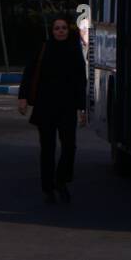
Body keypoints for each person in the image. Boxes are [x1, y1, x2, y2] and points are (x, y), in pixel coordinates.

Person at [18, 14, 87, 204]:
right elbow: (29, 72)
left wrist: (82, 108)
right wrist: (23, 98)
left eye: (63, 28)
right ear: (52, 31)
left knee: (69, 147)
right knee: (47, 149)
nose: (60, 31)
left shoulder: (74, 50)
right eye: (57, 28)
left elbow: (80, 80)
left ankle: (61, 180)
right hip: (45, 106)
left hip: (67, 107)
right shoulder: (44, 48)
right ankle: (48, 187)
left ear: (68, 30)